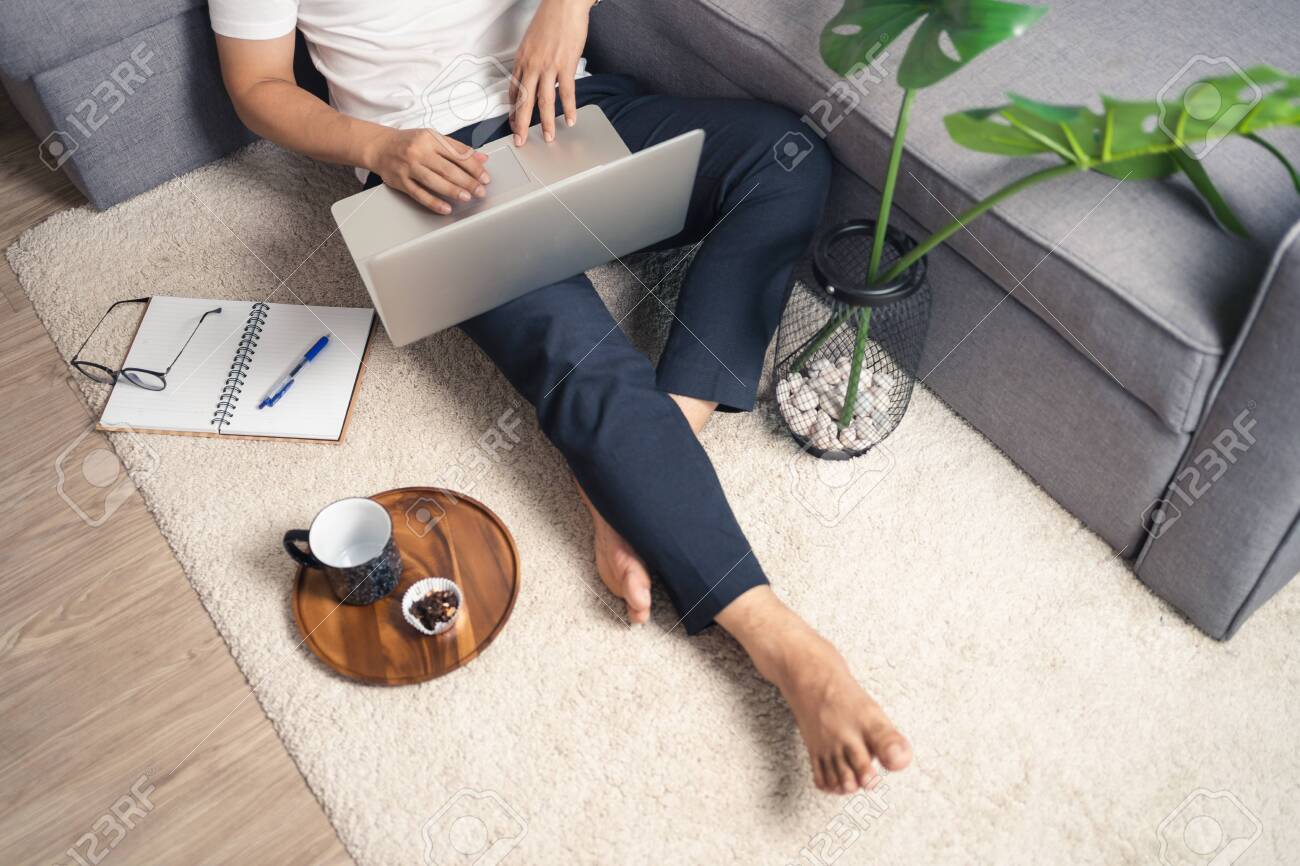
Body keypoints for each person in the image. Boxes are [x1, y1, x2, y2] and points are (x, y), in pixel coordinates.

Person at [210, 0, 911, 794]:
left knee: (788, 154)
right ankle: (785, 646)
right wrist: (380, 145)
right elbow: (258, 85)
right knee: (580, 360)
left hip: (570, 115)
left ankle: (630, 475)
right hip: (433, 173)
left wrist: (567, 8)